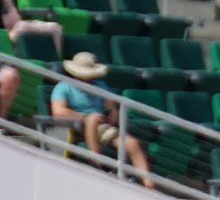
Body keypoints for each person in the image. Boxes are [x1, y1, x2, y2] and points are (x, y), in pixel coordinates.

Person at [50, 51, 153, 190]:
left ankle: (149, 184)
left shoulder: (100, 85)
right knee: (92, 119)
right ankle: (96, 165)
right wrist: (85, 117)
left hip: (102, 127)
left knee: (132, 143)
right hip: (76, 126)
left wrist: (112, 113)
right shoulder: (63, 87)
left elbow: (110, 105)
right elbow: (58, 111)